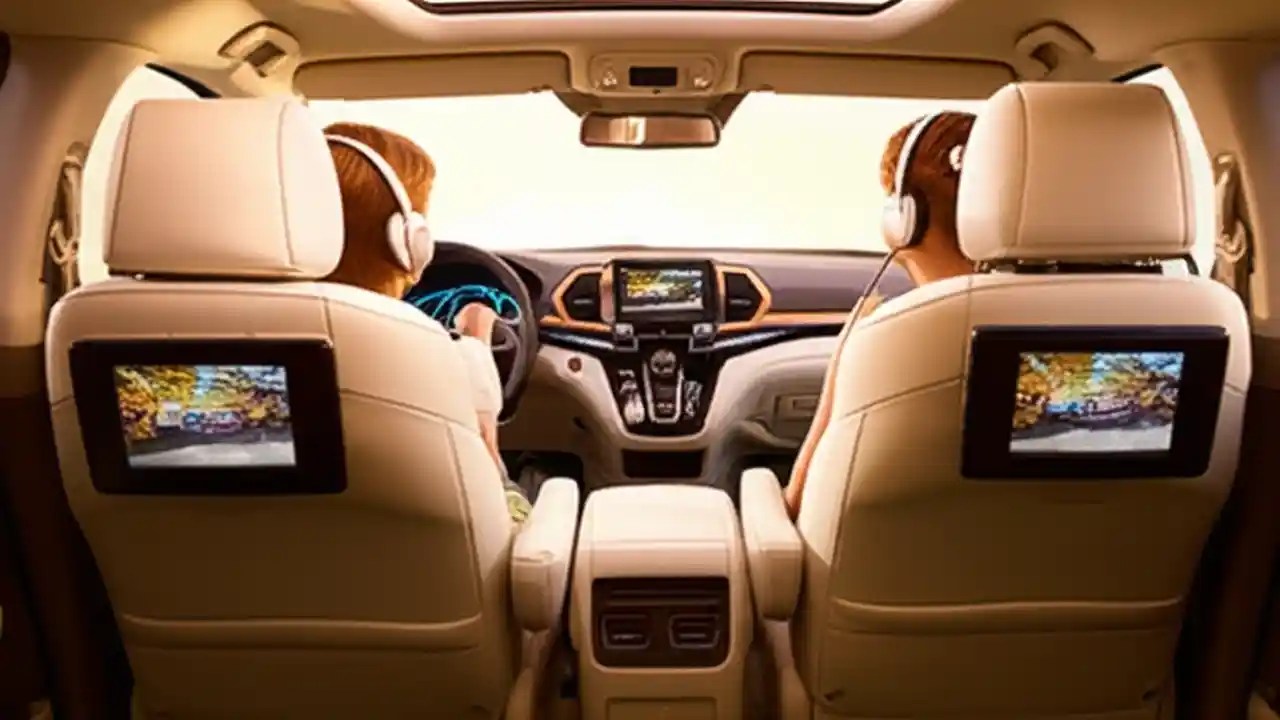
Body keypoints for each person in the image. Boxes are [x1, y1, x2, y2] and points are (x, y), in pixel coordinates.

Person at [324, 121, 532, 523]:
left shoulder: (211, 325)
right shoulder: (447, 360)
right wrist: (475, 347)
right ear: (410, 240)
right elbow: (487, 500)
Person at [782, 111, 978, 519]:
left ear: (903, 220)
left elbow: (801, 504)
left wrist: (844, 357)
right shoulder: (1113, 314)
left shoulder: (881, 337)